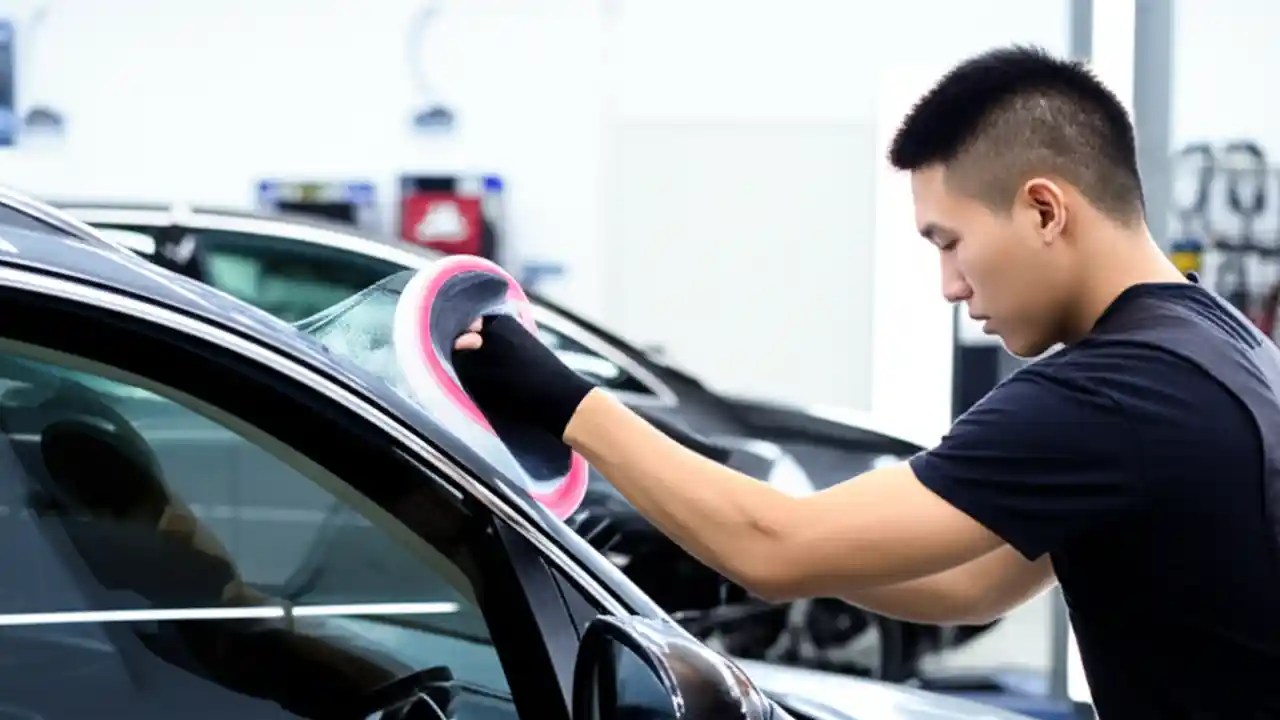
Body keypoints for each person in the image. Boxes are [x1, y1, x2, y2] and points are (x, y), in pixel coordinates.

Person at [452, 45, 1280, 718]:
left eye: (949, 241)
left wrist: (560, 400)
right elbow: (973, 583)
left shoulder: (1112, 393)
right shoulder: (1209, 345)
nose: (950, 286)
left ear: (1043, 209)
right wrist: (712, 503)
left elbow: (775, 549)